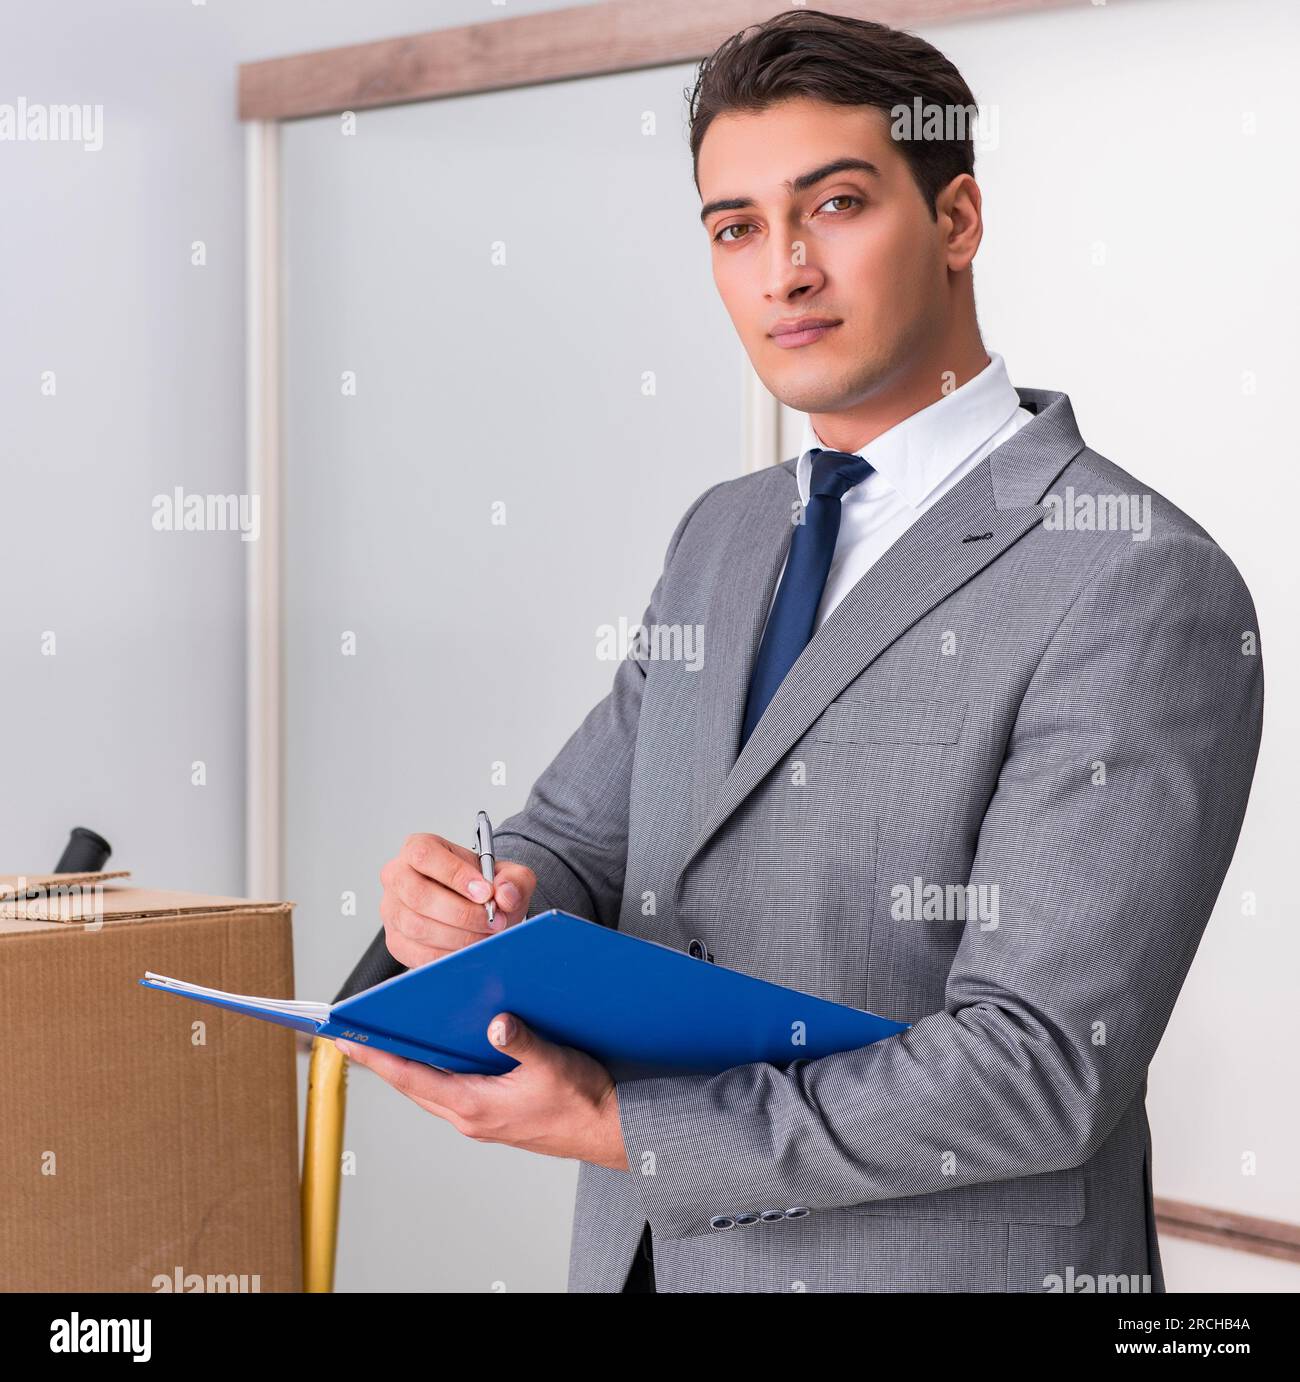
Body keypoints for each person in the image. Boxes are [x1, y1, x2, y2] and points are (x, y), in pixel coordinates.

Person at [346, 10, 1264, 1293]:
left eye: (833, 205)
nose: (781, 270)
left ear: (956, 221)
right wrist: (481, 903)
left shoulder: (1132, 579)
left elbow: (1043, 1063)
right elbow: (586, 840)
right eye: (735, 228)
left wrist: (624, 1129)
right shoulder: (722, 535)